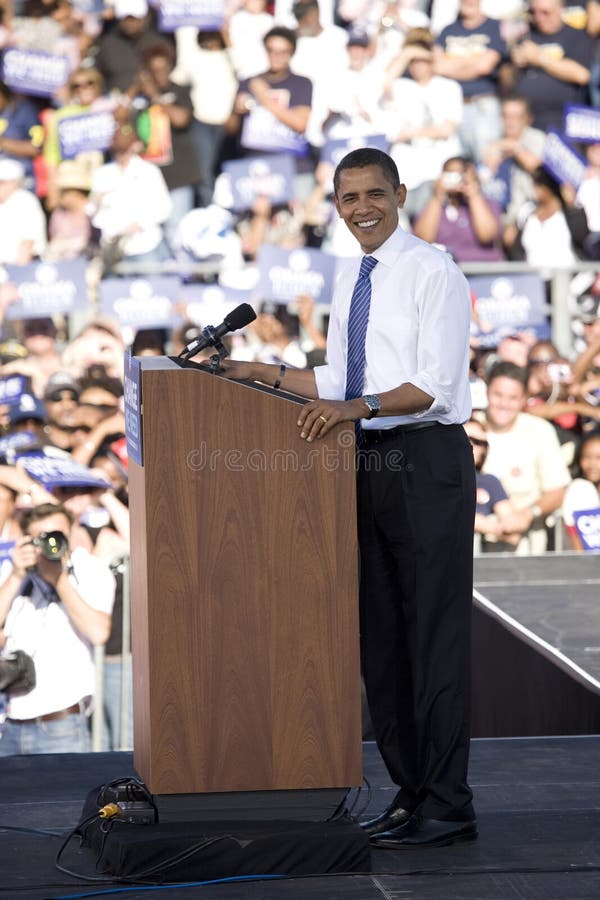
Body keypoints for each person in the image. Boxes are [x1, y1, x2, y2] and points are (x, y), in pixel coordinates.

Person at [220, 147, 478, 848]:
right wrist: (253, 370)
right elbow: (337, 377)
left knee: (433, 639)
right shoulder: (350, 273)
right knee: (383, 641)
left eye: (373, 194)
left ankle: (449, 802)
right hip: (364, 458)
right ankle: (411, 788)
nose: (361, 208)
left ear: (398, 193)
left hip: (426, 462)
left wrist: (353, 407)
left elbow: (435, 387)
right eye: (347, 197)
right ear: (334, 204)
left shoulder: (433, 271)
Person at [0, 502, 115, 755]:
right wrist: (17, 576)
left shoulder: (91, 569)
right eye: (43, 538)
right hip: (10, 725)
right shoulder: (14, 572)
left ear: (71, 531)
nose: (51, 545)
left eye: (58, 535)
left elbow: (99, 632)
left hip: (61, 725)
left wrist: (59, 580)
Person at [482, 361, 571, 554]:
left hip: (527, 540)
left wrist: (528, 514)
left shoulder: (539, 430)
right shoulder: (470, 428)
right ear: (487, 392)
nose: (504, 404)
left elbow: (557, 489)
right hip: (472, 538)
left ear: (524, 399)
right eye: (498, 395)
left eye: (513, 398)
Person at [509, 0, 594, 133]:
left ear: (560, 9)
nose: (539, 18)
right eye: (533, 12)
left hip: (564, 122)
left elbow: (582, 75)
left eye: (545, 12)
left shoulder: (577, 36)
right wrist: (514, 66)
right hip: (529, 122)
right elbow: (507, 82)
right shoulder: (526, 37)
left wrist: (540, 58)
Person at [412, 155, 503, 262]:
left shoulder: (487, 204)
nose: (456, 179)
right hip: (445, 269)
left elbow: (488, 236)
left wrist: (474, 195)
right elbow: (423, 240)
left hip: (482, 269)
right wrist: (437, 198)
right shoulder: (432, 207)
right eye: (450, 174)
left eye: (461, 174)